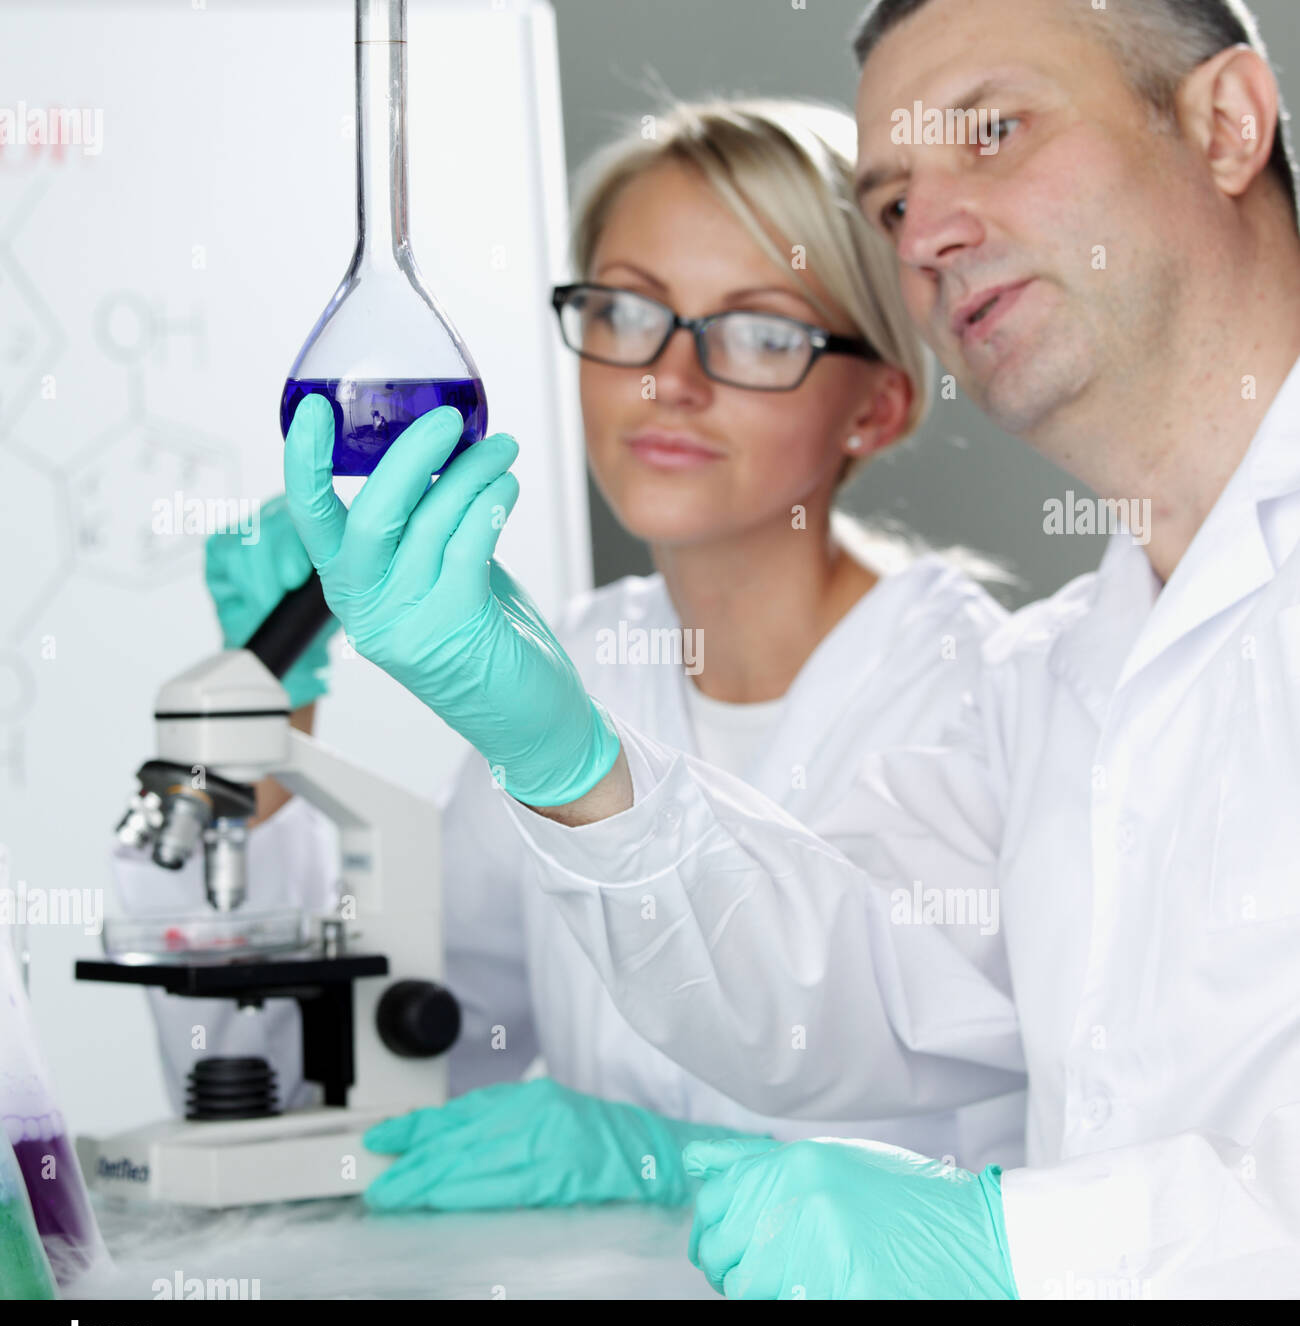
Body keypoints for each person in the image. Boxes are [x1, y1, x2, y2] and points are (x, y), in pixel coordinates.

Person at [281, 0, 1300, 1297]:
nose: (926, 235)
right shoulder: (1062, 678)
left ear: (1225, 124)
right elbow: (846, 987)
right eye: (888, 202)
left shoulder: (967, 665)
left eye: (994, 130)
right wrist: (568, 756)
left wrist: (1019, 1247)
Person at [115, 98, 1026, 1209]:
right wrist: (270, 721)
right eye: (627, 308)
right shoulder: (586, 661)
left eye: (759, 330)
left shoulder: (976, 692)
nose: (666, 380)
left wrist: (663, 1161)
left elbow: (986, 1136)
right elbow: (368, 1064)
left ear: (877, 407)